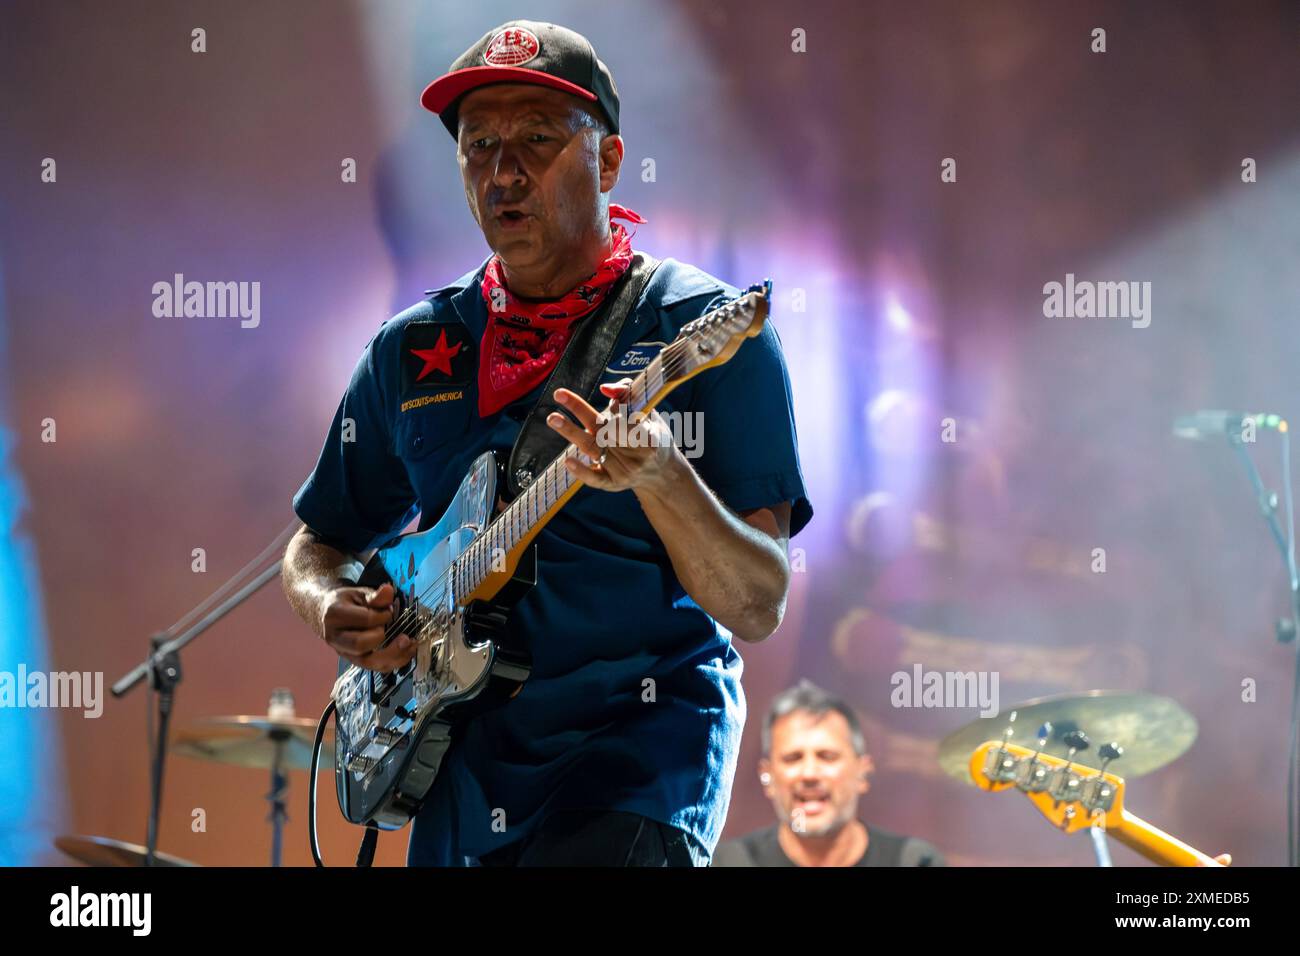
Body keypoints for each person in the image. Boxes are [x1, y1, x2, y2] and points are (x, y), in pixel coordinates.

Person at [281, 20, 812, 866]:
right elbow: (320, 542)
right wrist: (327, 604)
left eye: (537, 138)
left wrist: (663, 476)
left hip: (637, 759)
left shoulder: (696, 331)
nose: (503, 170)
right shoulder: (413, 348)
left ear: (606, 162)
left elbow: (757, 604)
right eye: (479, 145)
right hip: (458, 761)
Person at [713, 680, 943, 866]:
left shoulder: (914, 861)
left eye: (827, 756)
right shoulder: (730, 862)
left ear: (862, 771)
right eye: (793, 758)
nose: (809, 773)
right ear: (767, 776)